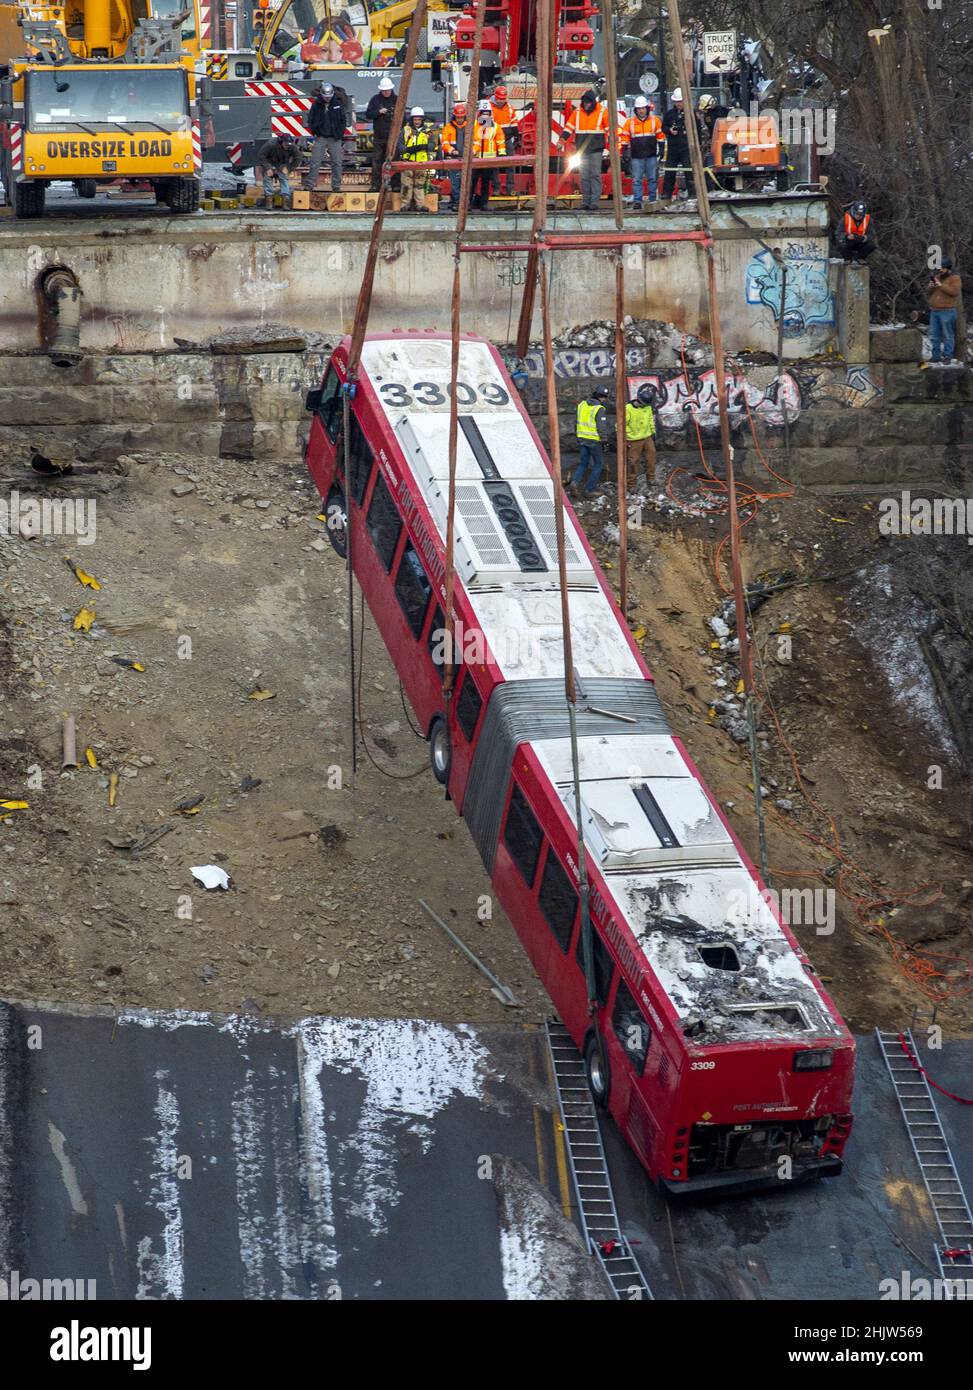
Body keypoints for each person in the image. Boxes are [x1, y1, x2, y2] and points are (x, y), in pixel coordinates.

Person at [566, 89, 608, 211]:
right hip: (583, 150)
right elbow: (569, 127)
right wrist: (562, 140)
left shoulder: (602, 112)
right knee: (584, 176)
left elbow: (610, 128)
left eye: (588, 102)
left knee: (594, 175)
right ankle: (586, 202)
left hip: (596, 149)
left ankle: (594, 202)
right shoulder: (577, 112)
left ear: (593, 102)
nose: (586, 104)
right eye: (585, 102)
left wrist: (613, 143)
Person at [303, 82, 348, 192]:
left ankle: (336, 186)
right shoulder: (316, 104)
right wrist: (315, 131)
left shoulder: (338, 104)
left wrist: (339, 134)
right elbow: (311, 119)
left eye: (329, 97)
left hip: (335, 138)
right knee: (315, 161)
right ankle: (309, 185)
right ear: (322, 95)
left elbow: (343, 120)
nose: (327, 99)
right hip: (321, 137)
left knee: (337, 163)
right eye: (325, 97)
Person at [661, 87, 701, 200]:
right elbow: (663, 127)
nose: (678, 104)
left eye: (680, 101)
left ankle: (692, 193)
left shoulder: (691, 114)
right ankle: (667, 193)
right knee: (670, 171)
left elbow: (697, 130)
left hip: (687, 147)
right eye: (677, 101)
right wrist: (669, 130)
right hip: (673, 147)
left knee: (689, 170)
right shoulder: (669, 114)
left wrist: (697, 146)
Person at [571, 386, 611, 496]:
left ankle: (574, 482)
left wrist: (578, 436)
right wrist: (604, 441)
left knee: (583, 463)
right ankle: (589, 489)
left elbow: (576, 422)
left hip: (582, 438)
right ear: (602, 398)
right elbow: (601, 427)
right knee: (598, 464)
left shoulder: (582, 405)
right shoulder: (599, 409)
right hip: (594, 441)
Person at [624, 96, 663, 208]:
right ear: (636, 110)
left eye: (643, 108)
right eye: (639, 108)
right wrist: (625, 150)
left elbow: (660, 135)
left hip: (651, 155)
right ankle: (637, 201)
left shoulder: (655, 121)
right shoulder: (630, 123)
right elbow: (624, 137)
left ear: (647, 108)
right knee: (637, 179)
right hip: (636, 156)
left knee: (652, 178)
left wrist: (661, 147)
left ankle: (652, 200)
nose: (641, 110)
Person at [398, 106, 436, 211]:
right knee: (406, 184)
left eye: (419, 119)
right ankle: (405, 205)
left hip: (421, 162)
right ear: (412, 120)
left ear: (422, 120)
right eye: (415, 119)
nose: (417, 122)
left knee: (419, 185)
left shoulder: (428, 131)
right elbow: (400, 146)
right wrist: (410, 149)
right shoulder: (405, 130)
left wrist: (424, 147)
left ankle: (420, 205)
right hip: (408, 162)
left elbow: (433, 145)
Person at [925, 256, 962, 365]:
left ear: (948, 268)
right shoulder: (937, 277)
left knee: (948, 335)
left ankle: (947, 356)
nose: (940, 270)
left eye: (943, 268)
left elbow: (954, 292)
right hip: (934, 311)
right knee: (934, 335)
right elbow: (929, 292)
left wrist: (941, 285)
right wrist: (931, 286)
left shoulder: (955, 278)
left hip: (947, 311)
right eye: (940, 268)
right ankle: (935, 356)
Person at [365, 75, 398, 192]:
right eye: (384, 91)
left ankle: (395, 185)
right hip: (379, 137)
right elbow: (368, 114)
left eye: (387, 90)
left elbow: (403, 116)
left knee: (394, 161)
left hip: (393, 137)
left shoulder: (397, 99)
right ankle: (375, 185)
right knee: (377, 161)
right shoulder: (375, 100)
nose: (386, 92)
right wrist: (378, 112)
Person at [471, 102, 505, 210]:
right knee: (471, 183)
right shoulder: (473, 125)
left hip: (488, 160)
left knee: (485, 184)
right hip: (475, 160)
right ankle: (468, 204)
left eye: (487, 113)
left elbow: (500, 142)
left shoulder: (495, 127)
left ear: (490, 114)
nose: (485, 115)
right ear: (479, 113)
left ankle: (484, 204)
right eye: (483, 113)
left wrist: (502, 156)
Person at [626, 383, 658, 489]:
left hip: (647, 437)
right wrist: (628, 436)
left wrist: (653, 432)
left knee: (651, 458)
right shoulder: (628, 409)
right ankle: (632, 484)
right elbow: (621, 425)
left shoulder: (647, 407)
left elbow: (650, 420)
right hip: (634, 440)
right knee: (633, 462)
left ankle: (651, 479)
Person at [489, 83, 518, 195]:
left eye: (503, 99)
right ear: (495, 96)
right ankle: (496, 188)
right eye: (499, 99)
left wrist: (516, 134)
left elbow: (514, 122)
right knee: (494, 165)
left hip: (506, 139)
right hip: (493, 140)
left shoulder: (509, 108)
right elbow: (483, 125)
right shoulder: (488, 107)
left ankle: (510, 188)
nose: (501, 101)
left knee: (510, 164)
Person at [440, 100, 468, 211]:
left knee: (464, 182)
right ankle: (456, 202)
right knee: (455, 182)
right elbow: (444, 142)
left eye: (461, 117)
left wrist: (472, 151)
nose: (460, 119)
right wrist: (451, 150)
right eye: (458, 117)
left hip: (466, 158)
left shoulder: (471, 126)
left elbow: (476, 141)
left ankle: (458, 202)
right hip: (453, 159)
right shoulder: (448, 127)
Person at [256, 134, 300, 206]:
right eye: (285, 145)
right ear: (281, 142)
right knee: (267, 178)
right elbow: (261, 155)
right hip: (269, 162)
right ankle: (269, 200)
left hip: (282, 164)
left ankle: (285, 200)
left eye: (289, 145)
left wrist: (289, 169)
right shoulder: (270, 144)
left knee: (284, 178)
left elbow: (298, 158)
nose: (287, 147)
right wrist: (268, 168)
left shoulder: (292, 147)